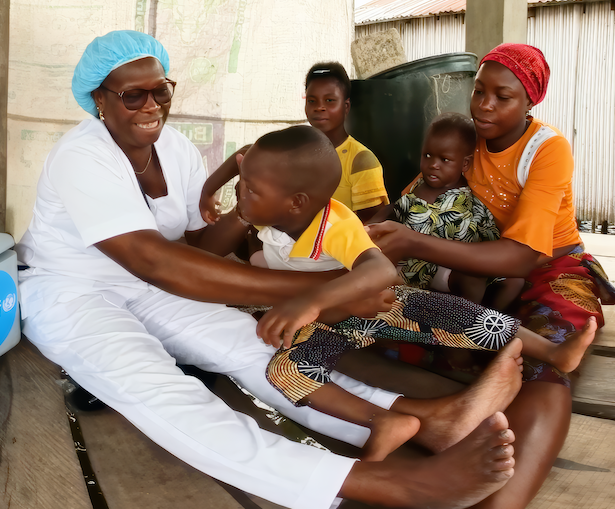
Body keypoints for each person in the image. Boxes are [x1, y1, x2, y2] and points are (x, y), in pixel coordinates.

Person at [18, 30, 519, 509]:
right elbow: (154, 260)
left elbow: (200, 247)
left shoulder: (174, 149)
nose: (151, 106)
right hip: (72, 292)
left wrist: (248, 207)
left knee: (254, 347)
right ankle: (377, 482)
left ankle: (420, 420)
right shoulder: (82, 155)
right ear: (99, 99)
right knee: (159, 389)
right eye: (133, 96)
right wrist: (328, 288)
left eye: (161, 90)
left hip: (149, 287)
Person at [235, 125, 593, 462]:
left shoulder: (335, 224)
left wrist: (310, 301)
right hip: (329, 325)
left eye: (250, 189)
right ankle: (382, 421)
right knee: (284, 371)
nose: (241, 193)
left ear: (295, 201)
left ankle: (552, 352)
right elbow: (223, 241)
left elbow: (380, 270)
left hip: (379, 306)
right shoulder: (270, 219)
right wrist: (227, 197)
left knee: (454, 314)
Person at [369, 43, 608, 509]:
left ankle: (500, 499)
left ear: (529, 102)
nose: (485, 106)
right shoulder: (463, 142)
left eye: (503, 97)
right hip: (468, 273)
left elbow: (522, 258)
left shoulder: (546, 149)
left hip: (549, 268)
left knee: (548, 365)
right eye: (479, 92)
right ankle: (438, 425)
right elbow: (414, 202)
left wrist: (414, 243)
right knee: (375, 326)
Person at [201, 61, 389, 226]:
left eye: (330, 100)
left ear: (346, 106)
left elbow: (371, 224)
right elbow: (245, 152)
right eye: (312, 100)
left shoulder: (360, 161)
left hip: (332, 254)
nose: (319, 107)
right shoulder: (295, 144)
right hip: (282, 243)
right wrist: (207, 192)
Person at [389, 112, 522, 308]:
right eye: (427, 155)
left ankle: (494, 318)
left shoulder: (472, 195)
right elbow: (393, 210)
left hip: (468, 261)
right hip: (428, 269)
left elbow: (488, 234)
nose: (433, 165)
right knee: (472, 280)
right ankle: (466, 325)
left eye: (444, 159)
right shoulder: (418, 190)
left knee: (514, 280)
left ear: (465, 163)